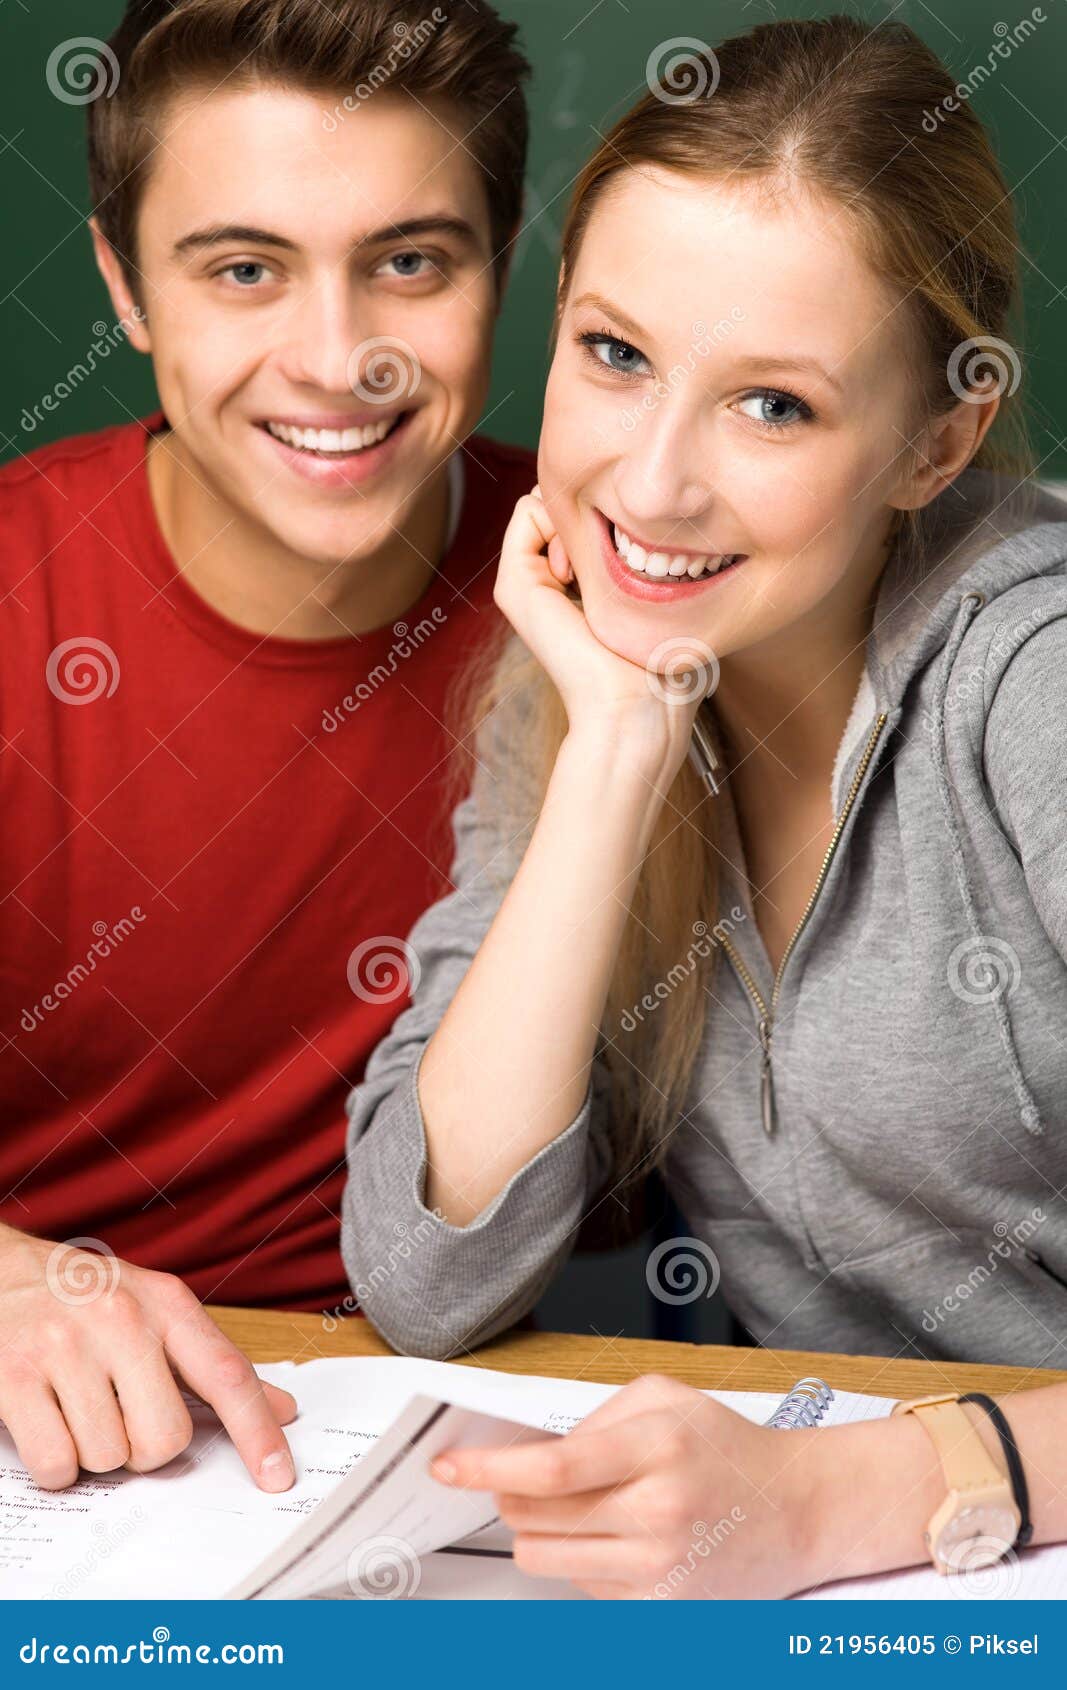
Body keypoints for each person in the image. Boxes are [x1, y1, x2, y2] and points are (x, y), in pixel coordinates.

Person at [342, 15, 1067, 1596]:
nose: (651, 484)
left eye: (775, 406)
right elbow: (427, 1275)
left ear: (934, 443)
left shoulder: (1039, 682)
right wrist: (611, 755)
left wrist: (864, 1495)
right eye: (615, 356)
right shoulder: (587, 670)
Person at [0, 0, 532, 1493]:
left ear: (500, 268)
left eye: (410, 262)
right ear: (123, 286)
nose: (339, 359)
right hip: (49, 1452)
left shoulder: (623, 585)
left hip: (458, 1449)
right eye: (245, 269)